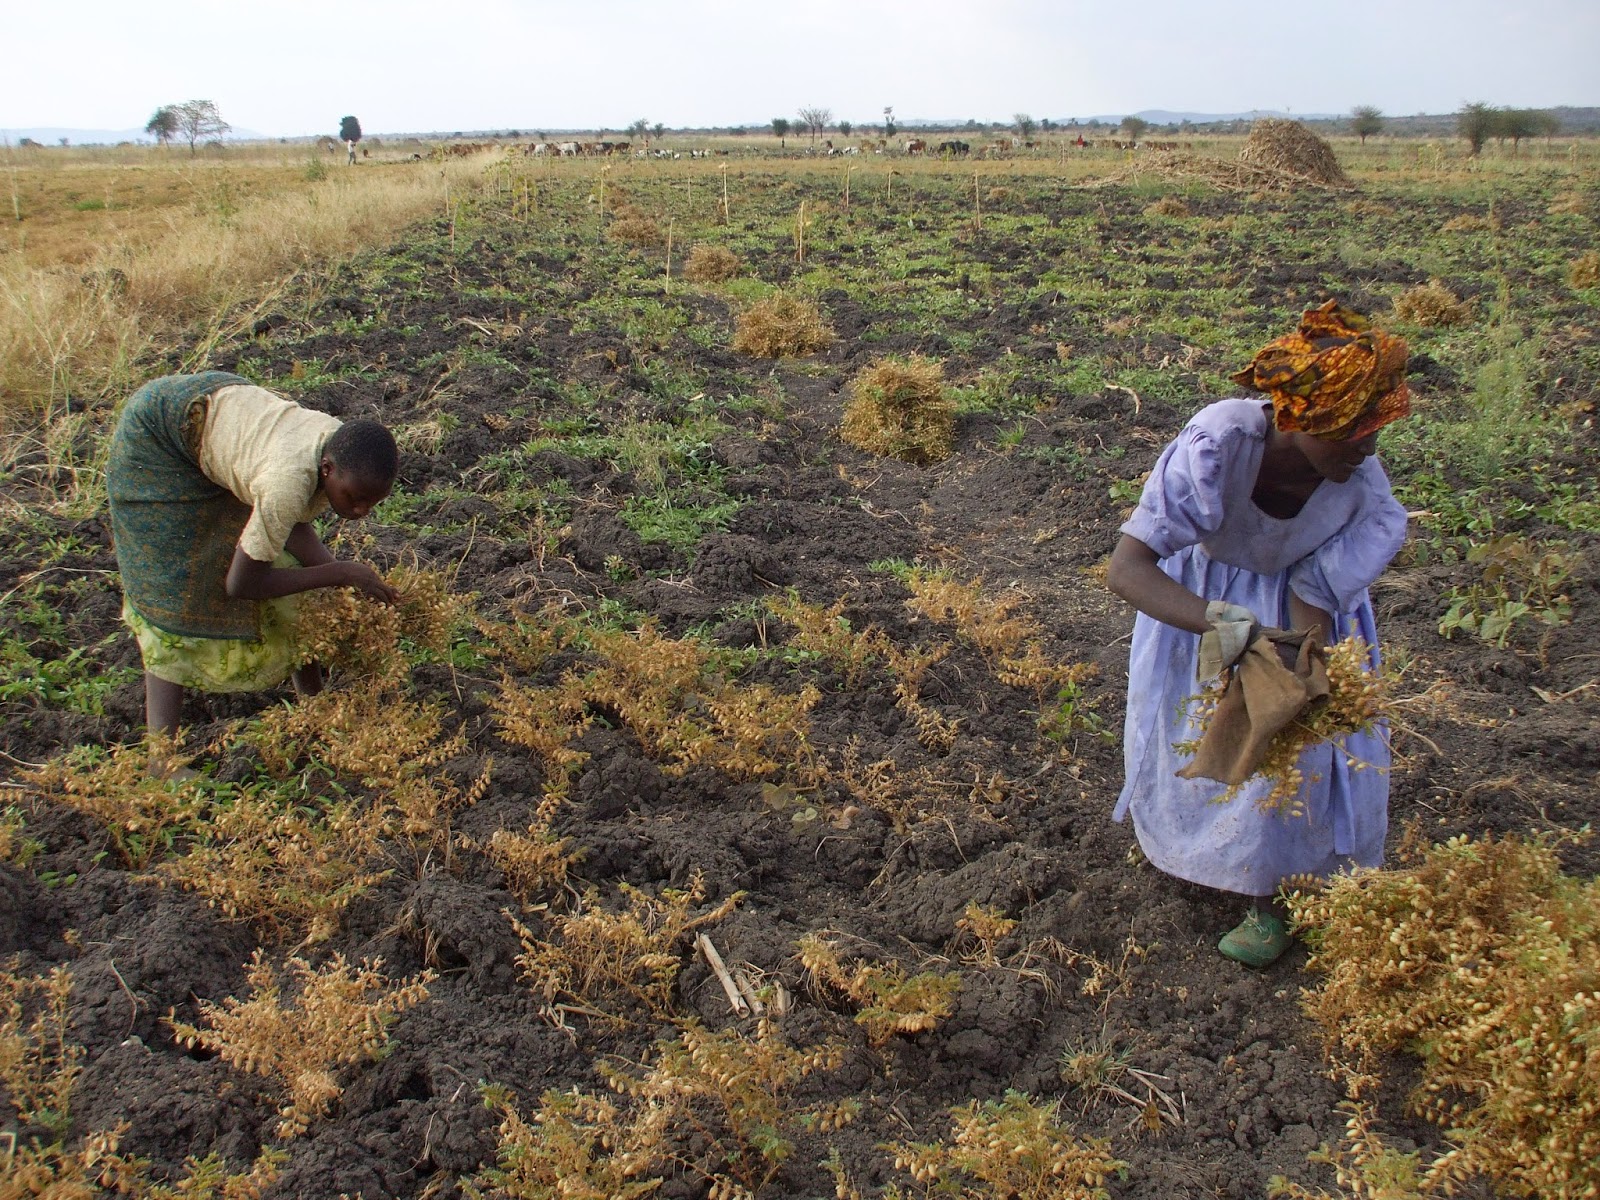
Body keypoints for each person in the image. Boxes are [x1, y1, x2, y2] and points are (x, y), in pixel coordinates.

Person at [1106, 302, 1411, 967]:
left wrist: (1301, 666)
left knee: (1293, 744)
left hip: (1294, 612)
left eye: (1375, 433)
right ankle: (1211, 857)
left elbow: (1313, 592)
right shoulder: (1220, 445)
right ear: (1305, 419)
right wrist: (1230, 628)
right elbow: (1127, 569)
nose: (1368, 448)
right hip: (1200, 605)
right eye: (1356, 433)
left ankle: (1274, 895)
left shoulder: (1363, 494)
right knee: (1208, 732)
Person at [105, 372, 399, 756]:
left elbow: (293, 527)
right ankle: (161, 759)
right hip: (158, 440)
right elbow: (241, 584)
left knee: (292, 576)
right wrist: (341, 571)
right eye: (356, 499)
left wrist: (345, 581)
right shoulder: (286, 482)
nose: (361, 511)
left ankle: (316, 707)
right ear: (327, 470)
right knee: (179, 598)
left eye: (372, 504)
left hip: (218, 416)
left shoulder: (342, 446)